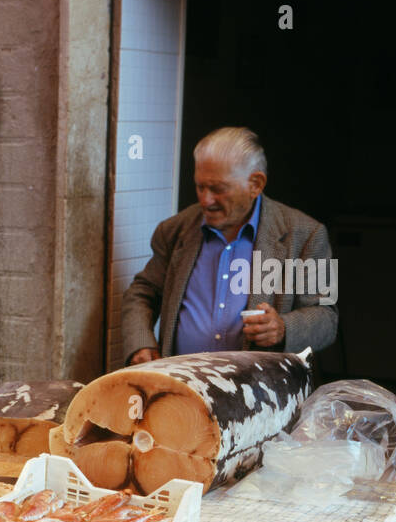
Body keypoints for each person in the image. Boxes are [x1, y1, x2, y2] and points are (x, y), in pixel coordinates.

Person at [119, 126, 338, 367]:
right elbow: (142, 292)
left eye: (218, 189)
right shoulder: (174, 230)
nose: (205, 200)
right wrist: (141, 342)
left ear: (255, 184)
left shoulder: (308, 234)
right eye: (200, 187)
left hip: (261, 392)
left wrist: (284, 328)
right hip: (183, 388)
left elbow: (326, 317)